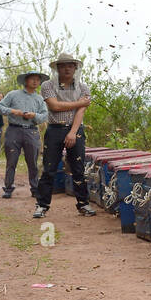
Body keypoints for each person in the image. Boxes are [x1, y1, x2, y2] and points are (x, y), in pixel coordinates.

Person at [35, 53, 96, 218]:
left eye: (70, 65)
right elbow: (54, 106)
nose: (67, 68)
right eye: (63, 66)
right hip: (54, 129)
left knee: (78, 168)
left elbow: (80, 112)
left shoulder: (83, 88)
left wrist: (72, 133)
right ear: (57, 68)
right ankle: (42, 205)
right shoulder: (48, 85)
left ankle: (83, 204)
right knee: (49, 168)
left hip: (76, 129)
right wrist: (79, 103)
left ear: (75, 67)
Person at [0, 71, 49, 198]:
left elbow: (45, 116)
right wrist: (13, 111)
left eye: (38, 80)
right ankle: (8, 188)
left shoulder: (40, 99)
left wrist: (34, 115)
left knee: (32, 161)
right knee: (11, 161)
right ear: (26, 81)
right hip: (13, 130)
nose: (35, 82)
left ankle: (35, 188)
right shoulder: (13, 94)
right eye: (32, 79)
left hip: (32, 130)